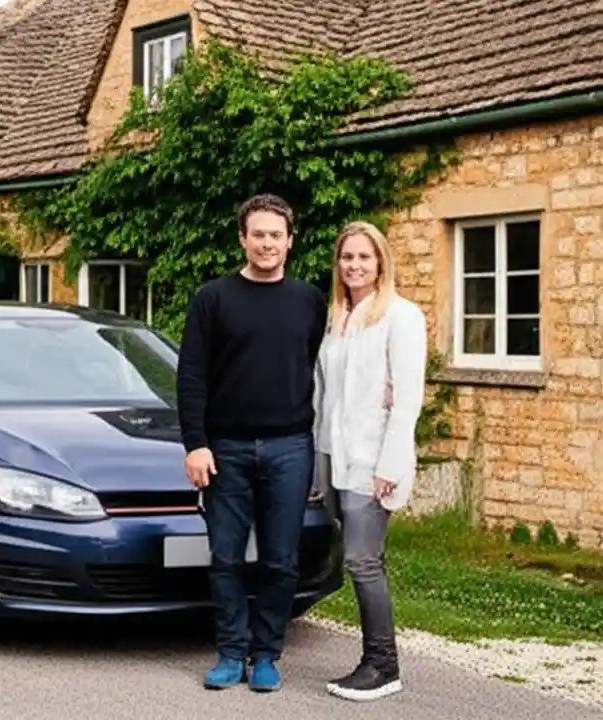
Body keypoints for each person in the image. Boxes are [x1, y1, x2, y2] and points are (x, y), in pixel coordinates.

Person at [177, 193, 327, 692]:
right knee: (225, 557)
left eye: (276, 235)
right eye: (258, 234)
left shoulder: (309, 300)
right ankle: (229, 652)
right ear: (243, 238)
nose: (267, 243)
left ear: (290, 241)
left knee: (281, 560)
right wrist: (195, 443)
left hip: (289, 447)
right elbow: (191, 375)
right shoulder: (212, 298)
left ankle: (266, 655)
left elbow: (318, 368)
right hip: (226, 450)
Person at [313, 221, 426, 702]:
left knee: (363, 561)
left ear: (381, 262)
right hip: (334, 457)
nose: (354, 265)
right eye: (347, 258)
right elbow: (325, 393)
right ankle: (369, 660)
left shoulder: (401, 317)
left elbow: (406, 399)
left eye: (364, 257)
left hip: (374, 460)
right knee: (355, 557)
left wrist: (391, 463)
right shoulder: (338, 318)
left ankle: (384, 665)